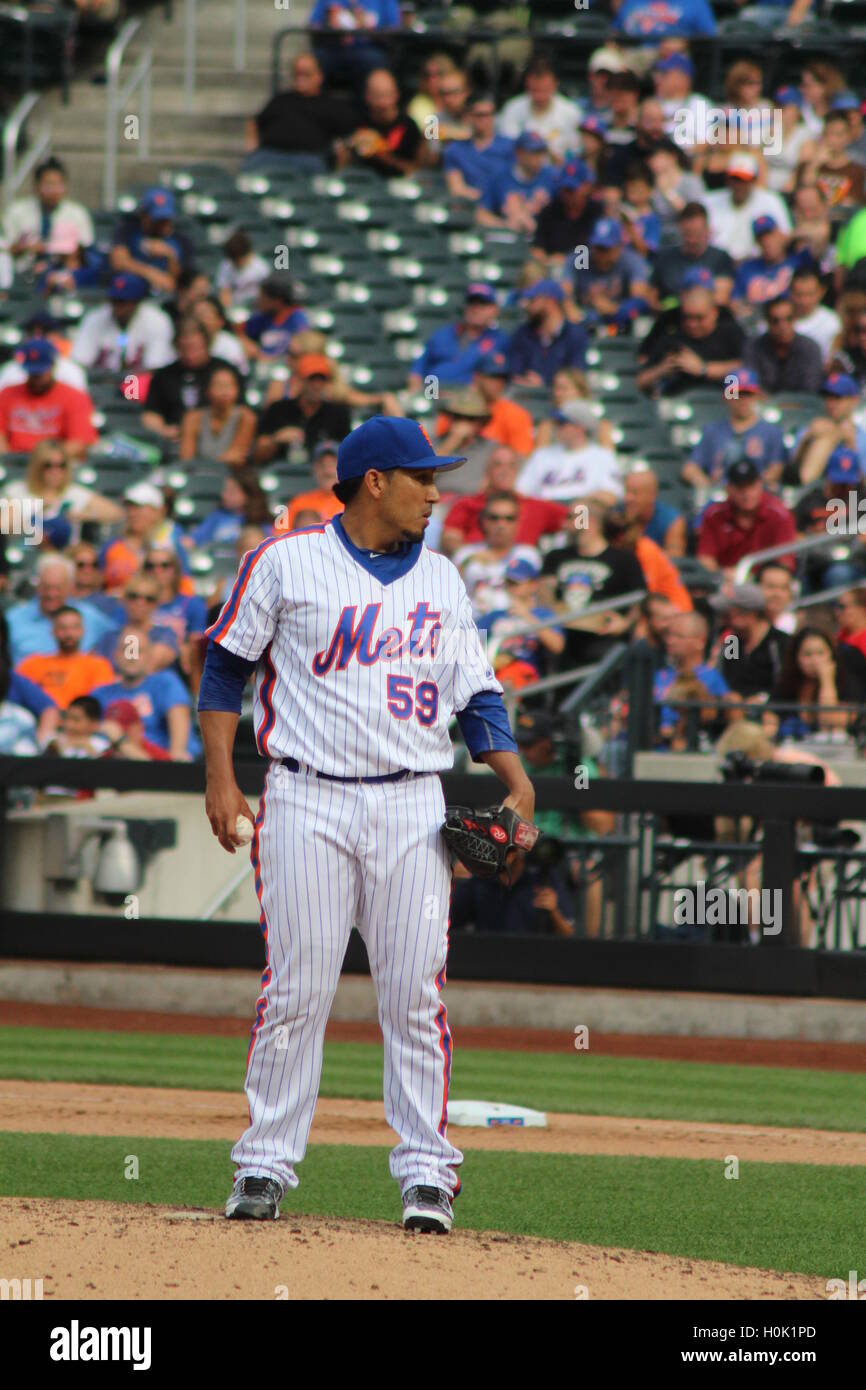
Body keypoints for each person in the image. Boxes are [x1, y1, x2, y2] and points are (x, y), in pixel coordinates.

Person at [197, 413, 535, 1231]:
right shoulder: (284, 562)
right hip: (304, 796)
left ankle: (427, 1174)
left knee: (415, 996)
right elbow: (225, 664)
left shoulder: (443, 579)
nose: (436, 492)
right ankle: (264, 1167)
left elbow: (477, 694)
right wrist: (219, 775)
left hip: (414, 802)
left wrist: (518, 784)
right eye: (422, 477)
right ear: (374, 482)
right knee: (298, 991)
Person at [539, 500, 646, 668]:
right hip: (563, 637)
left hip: (602, 640)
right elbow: (544, 596)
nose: (564, 523)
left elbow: (640, 598)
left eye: (571, 517)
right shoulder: (556, 557)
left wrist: (625, 624)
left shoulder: (624, 559)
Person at [439, 446, 569, 556]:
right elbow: (450, 538)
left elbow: (580, 516)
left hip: (522, 573)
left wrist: (584, 530)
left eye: (511, 466)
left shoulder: (536, 507)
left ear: (517, 471)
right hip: (479, 569)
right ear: (487, 471)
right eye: (498, 465)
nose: (505, 471)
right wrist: (471, 557)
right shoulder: (467, 504)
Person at [92, 629, 196, 760]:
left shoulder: (165, 683)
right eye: (126, 650)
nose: (132, 658)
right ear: (115, 655)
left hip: (156, 764)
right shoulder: (100, 693)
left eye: (138, 651)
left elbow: (179, 726)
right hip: (107, 765)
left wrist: (175, 759)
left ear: (149, 655)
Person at [243, 51, 356, 172]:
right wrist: (251, 141)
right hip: (269, 155)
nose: (300, 78)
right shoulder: (280, 99)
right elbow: (256, 121)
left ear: (319, 76)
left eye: (306, 74)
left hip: (308, 158)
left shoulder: (332, 105)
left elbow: (350, 135)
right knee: (250, 167)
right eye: (297, 74)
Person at [682, 368, 787, 488]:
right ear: (725, 397)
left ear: (757, 396)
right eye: (735, 394)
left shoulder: (772, 432)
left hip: (755, 496)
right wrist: (706, 484)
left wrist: (751, 489)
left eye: (747, 394)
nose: (742, 400)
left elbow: (777, 468)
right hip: (720, 495)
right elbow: (690, 469)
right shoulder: (712, 430)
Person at [140, 321, 241, 442]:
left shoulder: (226, 371)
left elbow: (241, 412)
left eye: (195, 348)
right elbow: (150, 414)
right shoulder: (163, 375)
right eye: (184, 349)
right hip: (173, 438)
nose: (190, 355)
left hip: (218, 438)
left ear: (207, 344)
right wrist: (163, 430)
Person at [5, 554, 116, 663]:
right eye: (47, 587)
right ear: (38, 586)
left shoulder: (89, 617)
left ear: (70, 587)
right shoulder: (13, 620)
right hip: (26, 678)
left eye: (58, 588)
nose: (51, 594)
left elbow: (117, 635)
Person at [636, 287, 745, 397]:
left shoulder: (731, 334)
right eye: (687, 318)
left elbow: (746, 367)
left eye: (699, 318)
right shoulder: (672, 339)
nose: (692, 324)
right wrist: (662, 369)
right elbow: (640, 381)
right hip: (679, 404)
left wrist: (703, 369)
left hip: (723, 401)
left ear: (714, 313)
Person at [696, 459, 797, 577]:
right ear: (728, 489)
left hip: (765, 584)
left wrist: (753, 578)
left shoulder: (779, 514)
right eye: (740, 488)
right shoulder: (715, 515)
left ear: (760, 485)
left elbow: (785, 563)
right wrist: (723, 575)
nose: (747, 494)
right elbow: (705, 559)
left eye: (751, 486)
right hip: (725, 581)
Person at [1, 442, 123, 538]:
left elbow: (115, 513)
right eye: (48, 465)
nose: (56, 471)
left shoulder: (74, 493)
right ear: (37, 467)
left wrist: (86, 515)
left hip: (65, 554)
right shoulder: (17, 491)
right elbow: (4, 525)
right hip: (28, 548)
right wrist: (38, 511)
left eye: (61, 465)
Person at [0, 340, 97, 459]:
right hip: (14, 462)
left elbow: (79, 443)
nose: (36, 378)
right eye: (32, 372)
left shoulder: (74, 397)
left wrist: (44, 462)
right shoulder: (7, 394)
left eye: (40, 372)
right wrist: (7, 459)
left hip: (54, 466)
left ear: (53, 366)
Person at [763, 626, 862, 740]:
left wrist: (827, 680)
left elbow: (829, 721)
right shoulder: (788, 683)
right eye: (807, 654)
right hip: (792, 749)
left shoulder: (846, 682)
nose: (814, 661)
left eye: (820, 653)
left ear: (831, 654)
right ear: (796, 657)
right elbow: (770, 716)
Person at [515, 401, 622, 505]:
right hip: (545, 512)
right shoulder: (541, 455)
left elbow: (611, 496)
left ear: (581, 427)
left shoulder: (602, 456)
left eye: (562, 423)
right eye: (556, 422)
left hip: (583, 513)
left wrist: (576, 503)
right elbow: (521, 491)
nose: (556, 427)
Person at [453, 492, 542, 616]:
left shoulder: (529, 555)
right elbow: (451, 595)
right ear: (483, 521)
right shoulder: (465, 554)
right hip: (474, 625)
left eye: (509, 518)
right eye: (494, 518)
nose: (501, 525)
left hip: (514, 624)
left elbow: (536, 598)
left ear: (518, 523)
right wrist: (468, 561)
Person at [409, 283, 508, 392]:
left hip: (470, 400)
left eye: (483, 304)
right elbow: (417, 371)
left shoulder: (500, 341)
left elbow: (500, 382)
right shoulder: (442, 335)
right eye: (471, 303)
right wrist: (419, 395)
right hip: (433, 394)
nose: (476, 309)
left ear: (494, 309)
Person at [71, 273, 175, 375]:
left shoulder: (157, 320)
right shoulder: (95, 318)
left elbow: (155, 368)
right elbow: (79, 362)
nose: (117, 307)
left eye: (123, 302)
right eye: (114, 301)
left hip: (142, 387)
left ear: (137, 302)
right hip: (102, 385)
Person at [254, 354, 351, 462]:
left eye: (321, 380)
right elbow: (257, 453)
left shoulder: (338, 414)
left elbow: (347, 455)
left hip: (322, 473)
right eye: (311, 379)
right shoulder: (278, 409)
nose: (317, 385)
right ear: (298, 380)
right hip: (283, 470)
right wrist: (276, 439)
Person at [2, 157, 93, 270]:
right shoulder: (17, 211)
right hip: (21, 273)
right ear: (36, 186)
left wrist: (54, 249)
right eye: (49, 185)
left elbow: (85, 249)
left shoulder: (77, 214)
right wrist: (23, 247)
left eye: (59, 184)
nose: (54, 190)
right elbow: (5, 247)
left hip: (62, 274)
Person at [15, 606, 115, 708]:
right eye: (63, 628)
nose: (69, 634)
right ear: (53, 631)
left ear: (83, 630)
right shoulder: (32, 664)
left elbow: (99, 703)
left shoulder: (98, 666)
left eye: (74, 627)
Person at [654, 611, 729, 746]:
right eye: (668, 635)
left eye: (679, 636)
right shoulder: (658, 675)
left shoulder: (712, 678)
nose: (670, 641)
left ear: (700, 641)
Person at [334, 69, 422, 178]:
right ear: (366, 96)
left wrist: (381, 154)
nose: (382, 103)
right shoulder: (356, 123)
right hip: (361, 183)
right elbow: (341, 168)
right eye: (377, 96)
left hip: (398, 185)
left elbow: (417, 170)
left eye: (386, 95)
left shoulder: (409, 126)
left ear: (396, 95)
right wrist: (345, 151)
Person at [705, 154, 792, 263]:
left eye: (745, 180)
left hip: (756, 262)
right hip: (717, 263)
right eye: (735, 179)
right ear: (728, 179)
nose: (739, 185)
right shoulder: (710, 201)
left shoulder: (771, 200)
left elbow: (785, 235)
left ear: (754, 180)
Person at [109, 186, 194, 296]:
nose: (162, 224)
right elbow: (119, 262)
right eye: (157, 220)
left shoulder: (182, 241)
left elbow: (177, 282)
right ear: (144, 216)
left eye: (165, 219)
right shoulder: (127, 231)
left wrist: (170, 256)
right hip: (131, 295)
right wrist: (151, 273)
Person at [711, 583, 790, 699]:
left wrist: (764, 699)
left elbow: (786, 685)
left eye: (728, 613)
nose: (724, 618)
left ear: (749, 613)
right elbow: (726, 678)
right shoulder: (732, 642)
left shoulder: (779, 643)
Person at [648, 202, 735, 308]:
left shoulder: (720, 258)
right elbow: (652, 296)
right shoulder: (665, 258)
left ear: (708, 231)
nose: (692, 240)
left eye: (697, 234)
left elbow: (721, 299)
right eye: (688, 234)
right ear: (680, 230)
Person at [496, 57, 582, 163]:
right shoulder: (512, 109)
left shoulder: (571, 112)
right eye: (535, 91)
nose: (540, 97)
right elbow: (508, 148)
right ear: (527, 85)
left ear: (555, 85)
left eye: (544, 90)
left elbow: (576, 152)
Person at [507, 280, 590, 386]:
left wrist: (544, 384)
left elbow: (576, 375)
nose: (527, 305)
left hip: (562, 398)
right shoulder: (523, 334)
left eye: (533, 300)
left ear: (550, 302)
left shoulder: (574, 335)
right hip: (527, 397)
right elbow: (515, 372)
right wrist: (525, 381)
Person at [477, 132, 558, 235]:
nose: (538, 158)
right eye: (533, 152)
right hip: (508, 239)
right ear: (519, 153)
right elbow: (481, 214)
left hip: (543, 241)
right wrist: (505, 225)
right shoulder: (500, 177)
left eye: (541, 152)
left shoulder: (551, 177)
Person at [742, 295, 824, 394]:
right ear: (767, 322)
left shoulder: (809, 349)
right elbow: (751, 385)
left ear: (795, 319)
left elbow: (811, 389)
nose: (783, 326)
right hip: (762, 406)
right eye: (775, 321)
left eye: (788, 319)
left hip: (800, 406)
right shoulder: (754, 347)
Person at [793, 374, 866, 485]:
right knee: (826, 439)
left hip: (851, 496)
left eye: (838, 398)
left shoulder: (861, 437)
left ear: (854, 400)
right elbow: (790, 472)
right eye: (827, 397)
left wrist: (850, 444)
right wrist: (807, 438)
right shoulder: (813, 428)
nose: (831, 404)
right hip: (813, 493)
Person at [731, 217, 813, 315]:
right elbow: (735, 301)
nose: (767, 241)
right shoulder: (747, 268)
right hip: (759, 320)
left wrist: (790, 236)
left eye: (771, 235)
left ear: (779, 234)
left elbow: (820, 234)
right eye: (761, 238)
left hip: (793, 317)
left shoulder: (798, 259)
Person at [443, 92, 514, 203]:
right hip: (469, 207)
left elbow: (517, 184)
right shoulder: (455, 150)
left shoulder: (510, 146)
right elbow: (457, 188)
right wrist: (487, 198)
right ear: (468, 116)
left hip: (505, 206)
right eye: (480, 115)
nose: (485, 120)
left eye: (489, 114)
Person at [308, 0, 401, 85]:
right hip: (333, 49)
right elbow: (314, 26)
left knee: (374, 61)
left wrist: (368, 30)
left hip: (370, 49)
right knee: (313, 62)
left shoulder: (385, 2)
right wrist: (330, 25)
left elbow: (394, 30)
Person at [179, 365, 256, 466]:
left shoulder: (246, 417)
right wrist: (220, 461)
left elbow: (236, 458)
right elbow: (186, 458)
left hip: (231, 475)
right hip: (196, 474)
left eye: (228, 386)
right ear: (208, 390)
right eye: (219, 386)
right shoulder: (192, 418)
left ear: (237, 390)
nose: (224, 392)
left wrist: (207, 464)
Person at [532, 158, 602, 265]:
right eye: (564, 189)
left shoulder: (597, 213)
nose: (567, 195)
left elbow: (601, 252)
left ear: (587, 187)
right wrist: (543, 258)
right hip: (552, 268)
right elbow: (538, 247)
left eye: (572, 190)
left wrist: (567, 260)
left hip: (586, 272)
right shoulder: (549, 211)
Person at [273, 441, 344, 534]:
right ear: (314, 469)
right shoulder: (297, 502)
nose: (327, 471)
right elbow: (278, 535)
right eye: (322, 465)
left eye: (332, 465)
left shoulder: (353, 502)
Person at [237, 273, 309, 363]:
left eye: (263, 297)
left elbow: (301, 348)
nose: (259, 300)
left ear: (277, 300)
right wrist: (249, 345)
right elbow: (237, 330)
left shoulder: (297, 318)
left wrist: (265, 357)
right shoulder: (262, 318)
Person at [623, 467, 686, 555]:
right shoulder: (616, 515)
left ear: (652, 495)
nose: (628, 498)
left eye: (635, 493)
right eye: (626, 492)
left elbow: (675, 555)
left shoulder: (672, 520)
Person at [788, 266, 842, 365]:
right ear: (790, 293)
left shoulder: (832, 322)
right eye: (799, 295)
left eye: (809, 294)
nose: (804, 301)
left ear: (821, 292)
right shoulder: (780, 320)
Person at [101, 698, 172, 761]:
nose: (114, 737)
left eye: (124, 732)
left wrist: (121, 742)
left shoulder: (157, 754)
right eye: (111, 734)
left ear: (140, 727)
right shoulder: (105, 752)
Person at [216, 231, 269, 309]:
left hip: (256, 308)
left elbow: (266, 294)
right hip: (235, 309)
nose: (237, 263)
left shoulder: (261, 267)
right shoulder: (226, 266)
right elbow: (224, 293)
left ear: (248, 254)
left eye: (239, 259)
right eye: (234, 260)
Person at [758, 561, 797, 633]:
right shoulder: (743, 626)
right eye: (771, 587)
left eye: (783, 588)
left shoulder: (798, 626)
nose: (777, 594)